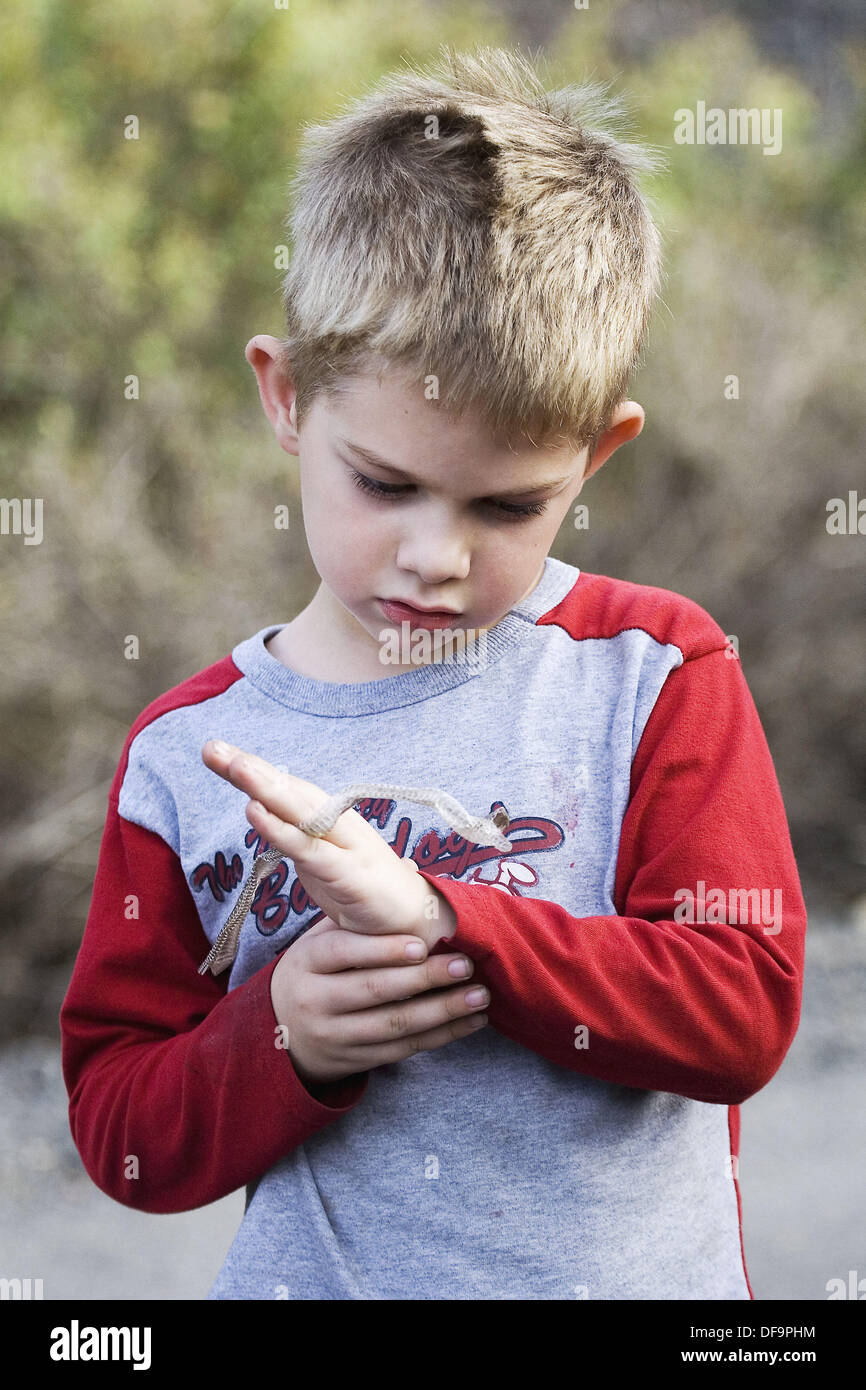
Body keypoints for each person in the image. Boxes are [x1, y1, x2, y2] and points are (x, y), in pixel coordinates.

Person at [60, 44, 806, 1300]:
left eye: (508, 505)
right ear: (287, 397)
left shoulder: (651, 670)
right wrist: (284, 1033)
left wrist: (452, 926)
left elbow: (741, 1008)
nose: (436, 557)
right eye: (386, 484)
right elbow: (122, 1131)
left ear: (596, 455)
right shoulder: (186, 755)